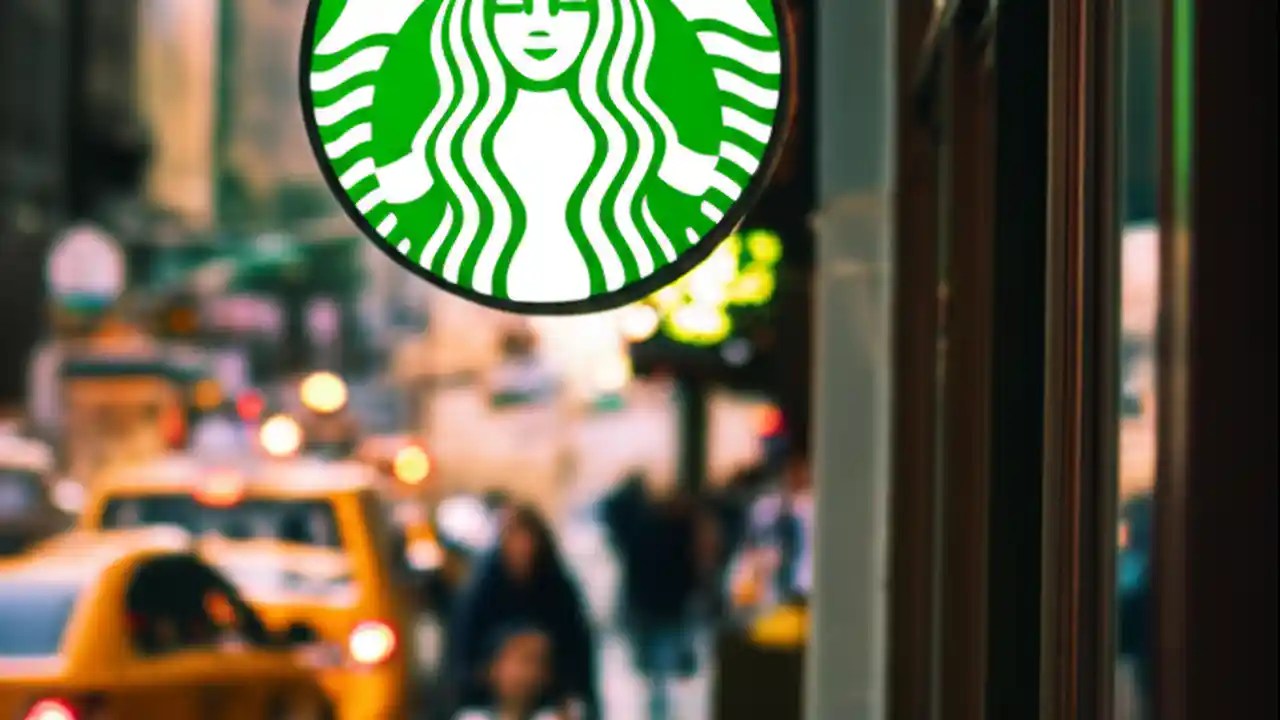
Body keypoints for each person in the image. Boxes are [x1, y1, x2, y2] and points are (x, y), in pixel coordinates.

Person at [443, 505, 599, 720]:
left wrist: (570, 692)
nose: (522, 548)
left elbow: (576, 645)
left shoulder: (558, 589)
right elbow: (463, 648)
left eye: (528, 540)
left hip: (549, 697)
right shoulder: (482, 591)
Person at [606, 470, 710, 720]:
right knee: (657, 674)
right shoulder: (656, 525)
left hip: (661, 609)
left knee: (659, 675)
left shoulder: (665, 526)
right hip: (657, 608)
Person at [454, 623, 563, 720]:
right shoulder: (470, 717)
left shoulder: (552, 717)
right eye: (521, 660)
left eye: (539, 661)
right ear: (492, 668)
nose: (527, 673)